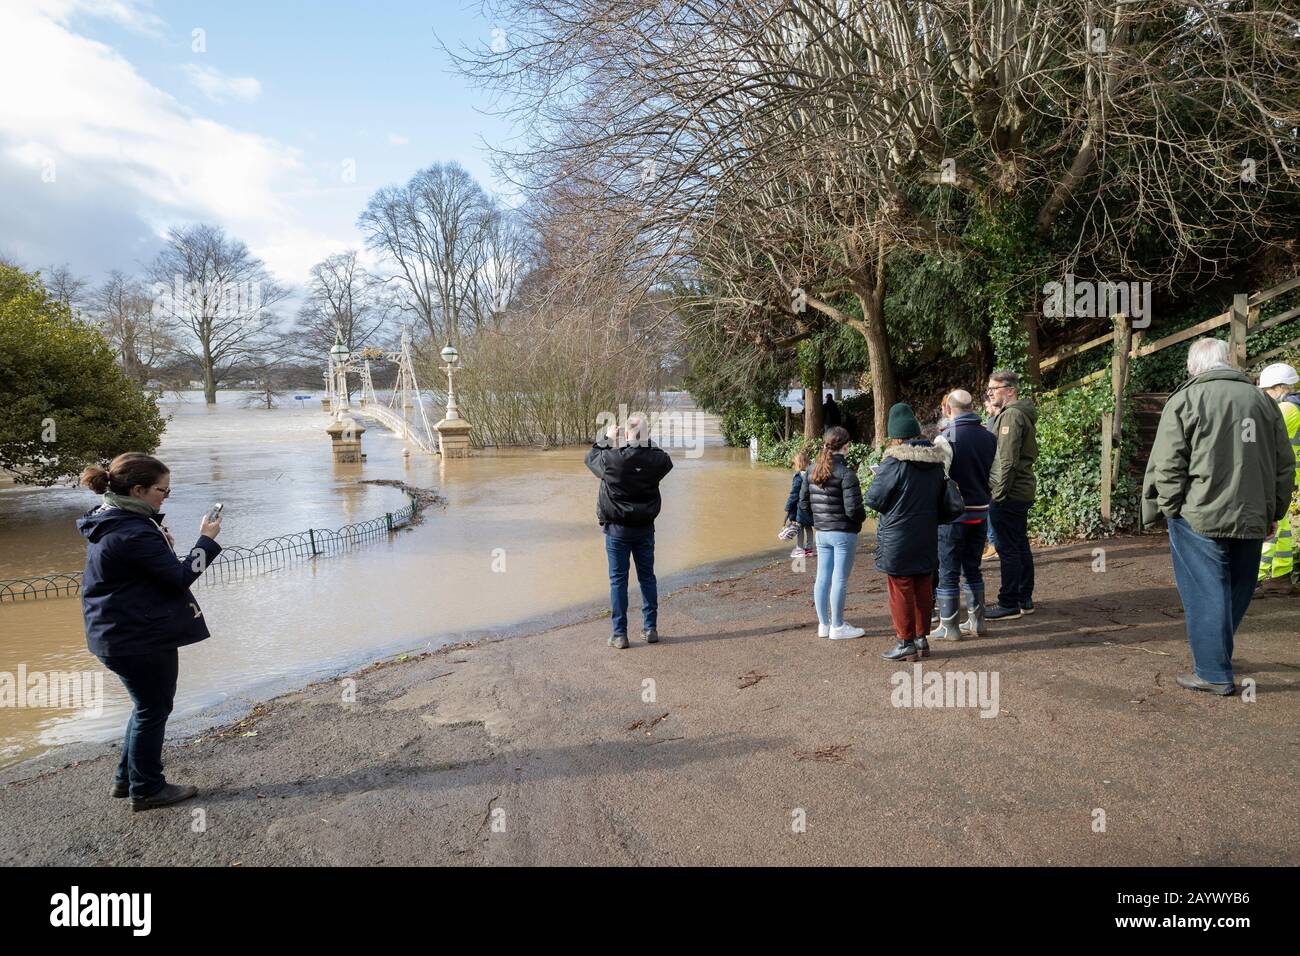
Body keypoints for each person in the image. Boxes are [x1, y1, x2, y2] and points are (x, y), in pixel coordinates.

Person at [1142, 339, 1295, 694]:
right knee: (1237, 586)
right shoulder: (1264, 402)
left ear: (1194, 367)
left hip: (1198, 514)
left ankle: (1212, 671)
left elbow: (1168, 463)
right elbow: (1284, 464)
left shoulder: (1186, 399)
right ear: (1228, 361)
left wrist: (1170, 507)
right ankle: (1218, 655)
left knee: (1205, 589)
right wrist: (1275, 510)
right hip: (1252, 512)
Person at [78, 453, 223, 811]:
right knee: (153, 709)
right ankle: (146, 789)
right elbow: (180, 578)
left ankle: (127, 779)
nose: (166, 496)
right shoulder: (131, 531)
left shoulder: (112, 519)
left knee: (146, 707)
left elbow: (144, 571)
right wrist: (206, 540)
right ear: (139, 489)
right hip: (136, 638)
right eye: (163, 490)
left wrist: (162, 545)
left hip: (117, 633)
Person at [866, 403, 952, 661]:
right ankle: (921, 639)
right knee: (923, 585)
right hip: (926, 533)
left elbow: (874, 498)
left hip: (898, 536)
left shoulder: (894, 462)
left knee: (901, 587)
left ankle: (905, 641)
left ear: (896, 436)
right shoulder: (936, 461)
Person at [585, 415, 674, 650]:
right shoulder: (656, 459)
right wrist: (642, 439)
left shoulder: (612, 459)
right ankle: (650, 628)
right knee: (647, 577)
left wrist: (607, 438)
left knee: (618, 581)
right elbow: (666, 460)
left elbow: (590, 457)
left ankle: (620, 634)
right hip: (644, 528)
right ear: (646, 436)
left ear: (625, 435)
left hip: (617, 530)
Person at [929, 389, 998, 640]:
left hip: (953, 516)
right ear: (971, 408)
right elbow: (995, 475)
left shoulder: (946, 438)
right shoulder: (988, 436)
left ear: (948, 409)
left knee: (948, 570)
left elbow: (939, 479)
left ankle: (949, 626)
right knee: (972, 567)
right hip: (981, 512)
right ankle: (977, 621)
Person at [800, 426, 867, 639]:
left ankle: (824, 625)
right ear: (846, 447)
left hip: (822, 532)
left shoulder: (811, 470)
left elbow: (803, 504)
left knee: (822, 577)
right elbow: (854, 510)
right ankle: (838, 626)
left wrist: (818, 521)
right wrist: (857, 523)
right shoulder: (847, 474)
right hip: (843, 533)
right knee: (839, 579)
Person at [985, 369, 1038, 620]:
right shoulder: (1015, 414)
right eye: (989, 389)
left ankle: (1009, 602)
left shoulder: (1011, 417)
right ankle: (1023, 598)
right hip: (1020, 490)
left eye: (994, 389)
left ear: (1010, 390)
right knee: (1019, 544)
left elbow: (1007, 461)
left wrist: (998, 495)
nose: (990, 393)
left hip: (1010, 492)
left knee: (1008, 548)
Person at [1255, 362, 1300, 594]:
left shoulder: (1286, 410)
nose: (1265, 395)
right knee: (1282, 530)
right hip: (1293, 479)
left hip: (1281, 477)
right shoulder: (1296, 406)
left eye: (1267, 391)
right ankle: (1281, 577)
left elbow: (1267, 441)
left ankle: (1256, 577)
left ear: (1279, 387)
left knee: (1268, 528)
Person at [784, 448, 815, 558]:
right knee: (809, 527)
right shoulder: (812, 473)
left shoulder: (798, 477)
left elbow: (794, 495)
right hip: (811, 505)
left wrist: (787, 508)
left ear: (798, 464)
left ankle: (799, 549)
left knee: (800, 527)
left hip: (800, 506)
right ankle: (809, 549)